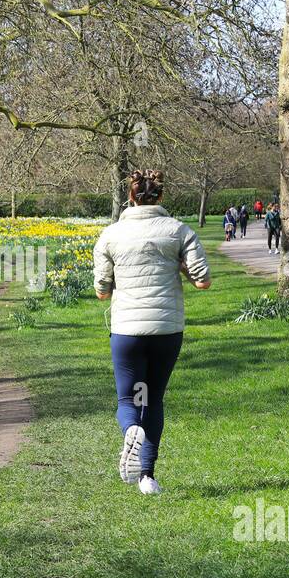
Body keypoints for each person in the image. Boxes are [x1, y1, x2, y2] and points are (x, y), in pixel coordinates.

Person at [94, 170, 211, 495]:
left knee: (129, 397)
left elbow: (101, 290)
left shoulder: (111, 235)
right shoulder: (179, 231)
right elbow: (203, 281)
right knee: (153, 399)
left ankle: (131, 429)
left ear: (131, 197)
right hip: (166, 329)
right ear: (160, 197)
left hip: (127, 330)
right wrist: (179, 268)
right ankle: (147, 477)